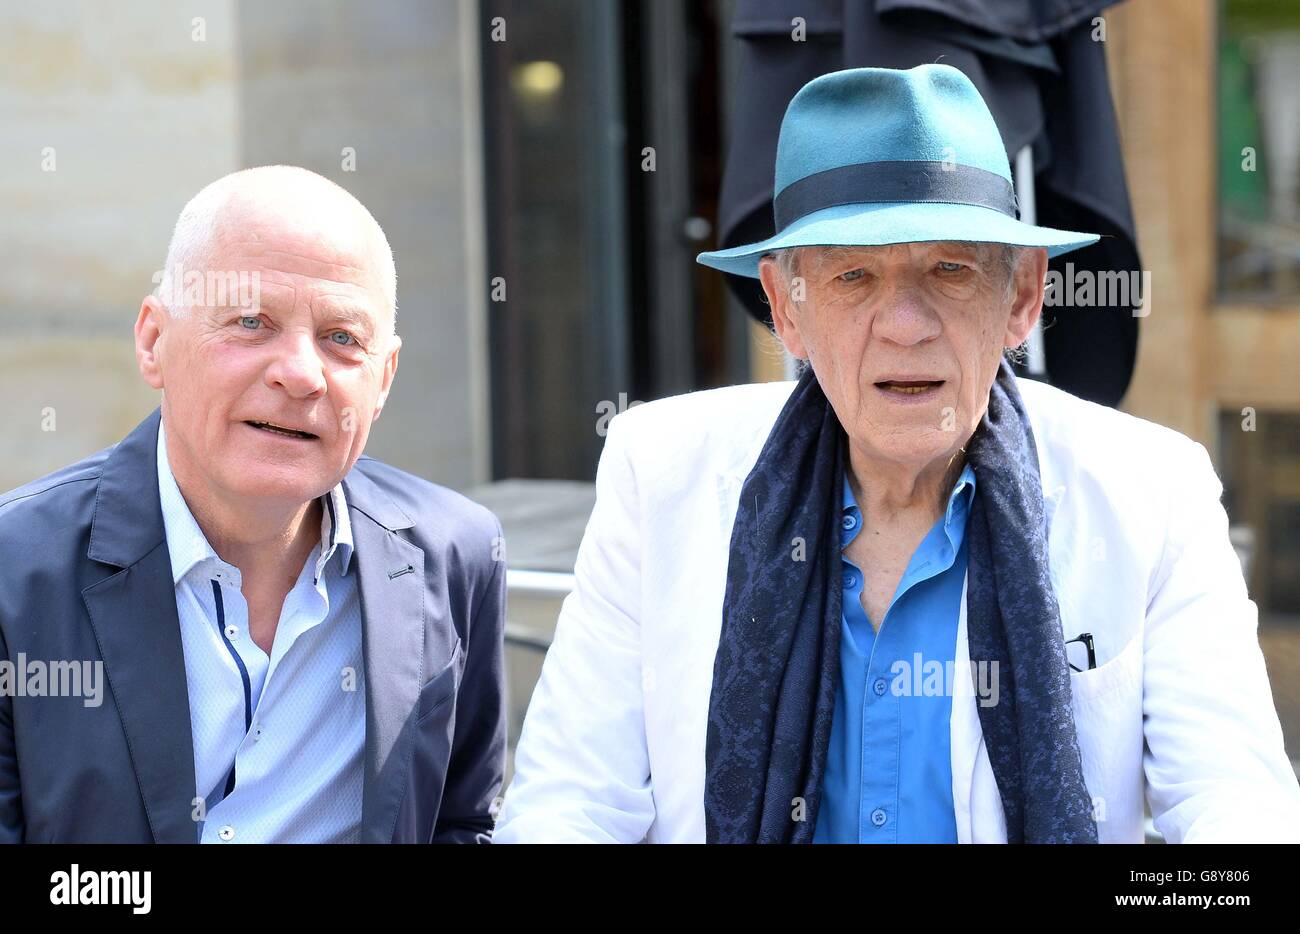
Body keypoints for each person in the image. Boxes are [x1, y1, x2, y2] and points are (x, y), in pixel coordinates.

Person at [495, 65, 1300, 843]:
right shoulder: (658, 471)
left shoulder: (1153, 490)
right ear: (786, 308)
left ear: (1020, 296)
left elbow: (1237, 804)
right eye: (853, 277)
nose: (905, 325)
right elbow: (570, 802)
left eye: (949, 269)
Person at [0, 166, 506, 843]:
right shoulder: (16, 572)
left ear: (383, 379)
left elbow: (463, 821)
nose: (299, 373)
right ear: (154, 341)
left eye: (342, 339)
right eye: (250, 321)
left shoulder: (455, 553)